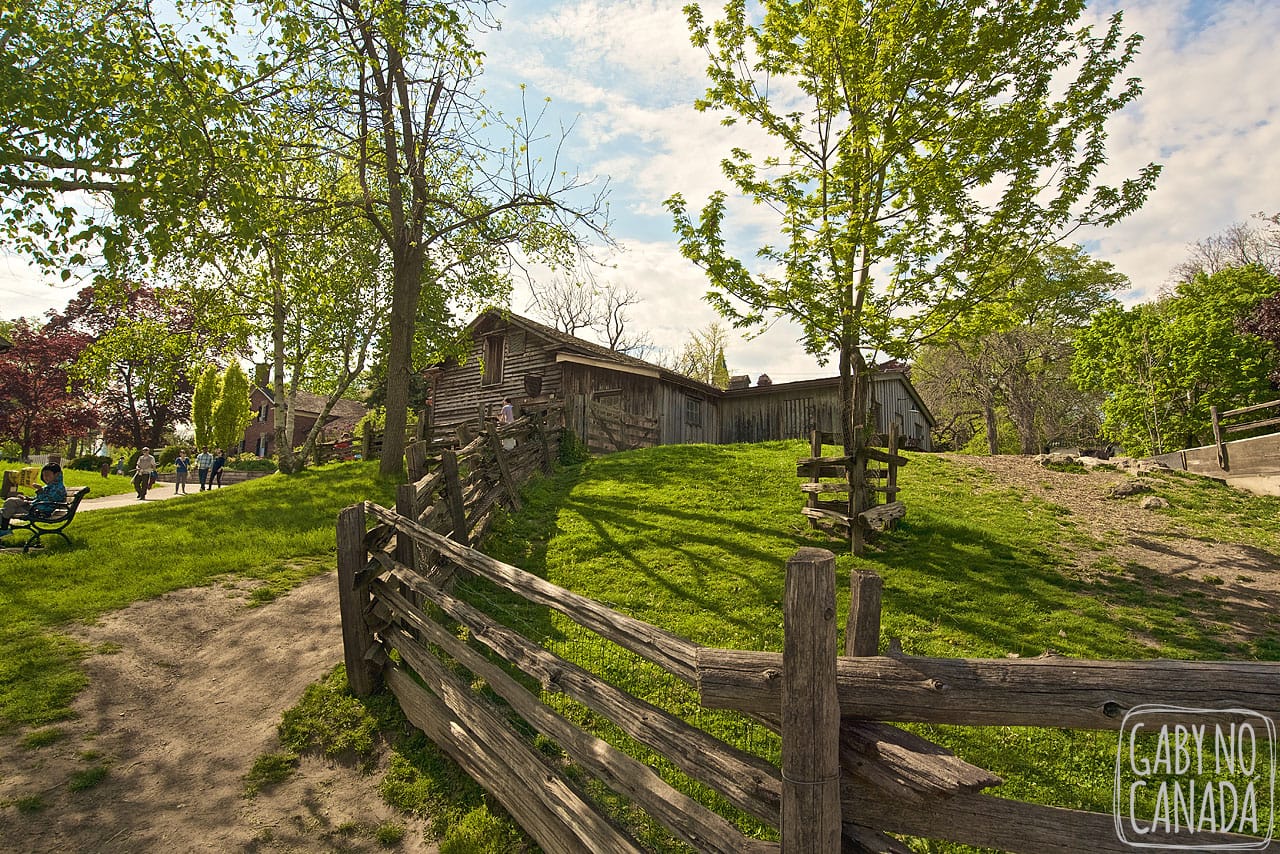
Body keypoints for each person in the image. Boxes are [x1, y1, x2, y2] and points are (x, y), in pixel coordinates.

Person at [1, 463, 67, 538]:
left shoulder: (59, 488)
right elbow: (39, 499)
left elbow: (49, 500)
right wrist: (27, 498)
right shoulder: (49, 486)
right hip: (35, 508)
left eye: (48, 475)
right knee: (4, 509)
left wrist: (40, 491)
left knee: (10, 503)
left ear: (57, 474)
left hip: (40, 512)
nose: (45, 478)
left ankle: (4, 530)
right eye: (44, 475)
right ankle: (4, 532)